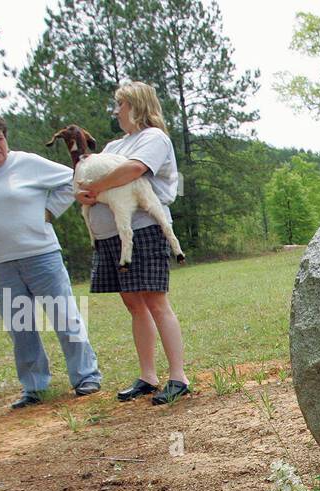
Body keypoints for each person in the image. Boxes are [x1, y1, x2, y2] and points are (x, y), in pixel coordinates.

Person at [0, 107, 101, 409]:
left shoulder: (27, 163)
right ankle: (34, 386)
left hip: (41, 254)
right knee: (21, 326)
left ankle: (86, 377)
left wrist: (49, 210)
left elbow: (73, 180)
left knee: (64, 316)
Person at [76, 81, 190, 405]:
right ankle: (147, 376)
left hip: (144, 230)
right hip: (112, 235)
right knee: (133, 303)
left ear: (136, 105)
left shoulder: (154, 138)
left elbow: (135, 169)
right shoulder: (113, 146)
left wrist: (95, 186)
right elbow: (88, 176)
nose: (116, 111)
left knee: (155, 301)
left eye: (120, 105)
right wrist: (81, 193)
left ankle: (178, 377)